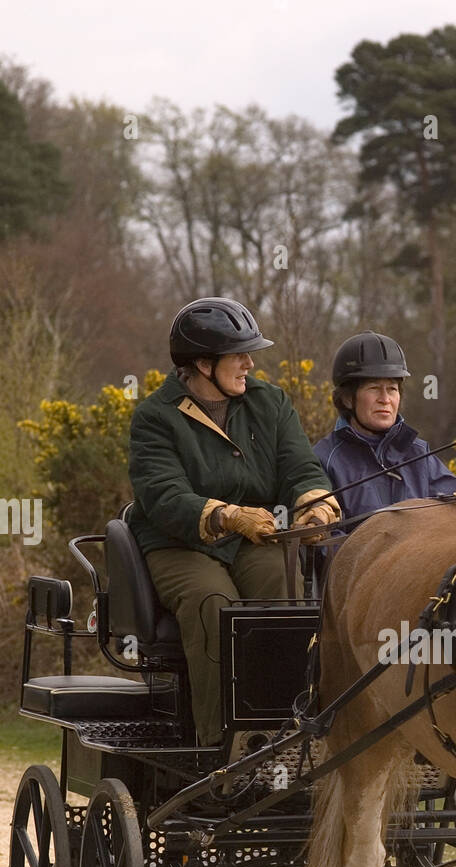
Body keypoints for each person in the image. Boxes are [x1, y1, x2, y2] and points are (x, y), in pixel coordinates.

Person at [128, 296, 339, 747]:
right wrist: (228, 514)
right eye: (238, 355)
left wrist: (314, 505)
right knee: (215, 602)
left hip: (252, 541)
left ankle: (282, 740)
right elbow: (164, 497)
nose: (248, 363)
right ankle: (219, 748)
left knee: (280, 592)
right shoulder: (153, 416)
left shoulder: (271, 402)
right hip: (177, 544)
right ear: (203, 364)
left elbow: (301, 467)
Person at [313, 330, 456, 524]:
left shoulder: (420, 453)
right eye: (374, 388)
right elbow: (324, 541)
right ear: (348, 398)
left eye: (392, 389)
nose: (385, 399)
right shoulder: (324, 459)